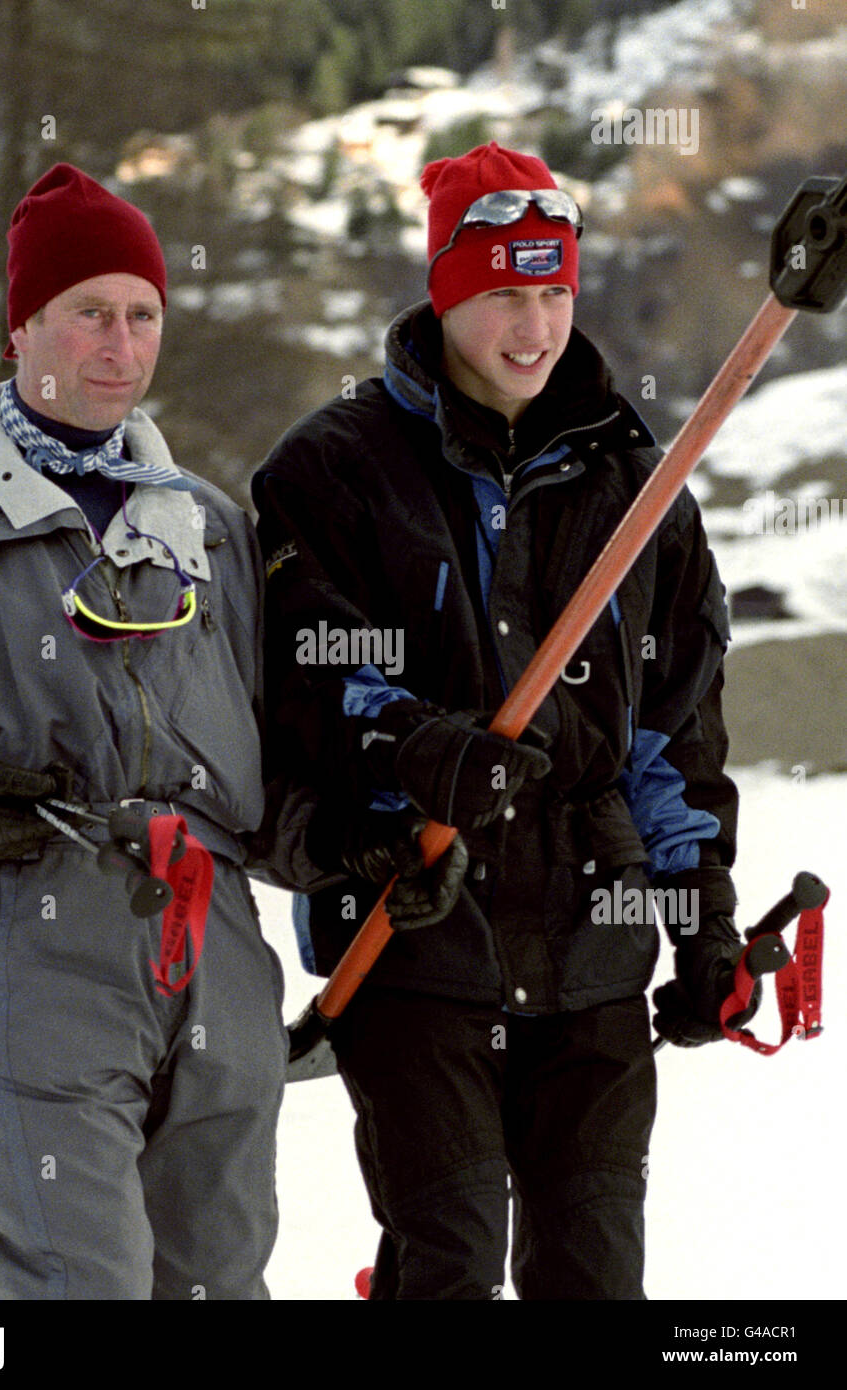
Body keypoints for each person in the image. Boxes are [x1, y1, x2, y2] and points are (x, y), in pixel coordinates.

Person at [253, 143, 755, 1300]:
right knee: (453, 1258)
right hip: (416, 923)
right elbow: (305, 667)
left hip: (592, 944)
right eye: (499, 295)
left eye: (551, 292)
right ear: (443, 294)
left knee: (594, 1272)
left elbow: (671, 727)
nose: (532, 327)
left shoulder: (637, 477)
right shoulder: (331, 469)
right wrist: (424, 753)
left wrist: (700, 914)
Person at [0, 163, 294, 1300]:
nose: (120, 343)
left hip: (212, 948)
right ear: (22, 328)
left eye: (142, 314)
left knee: (218, 1287)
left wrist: (361, 843)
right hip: (32, 949)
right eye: (89, 313)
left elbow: (272, 757)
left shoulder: (210, 526)